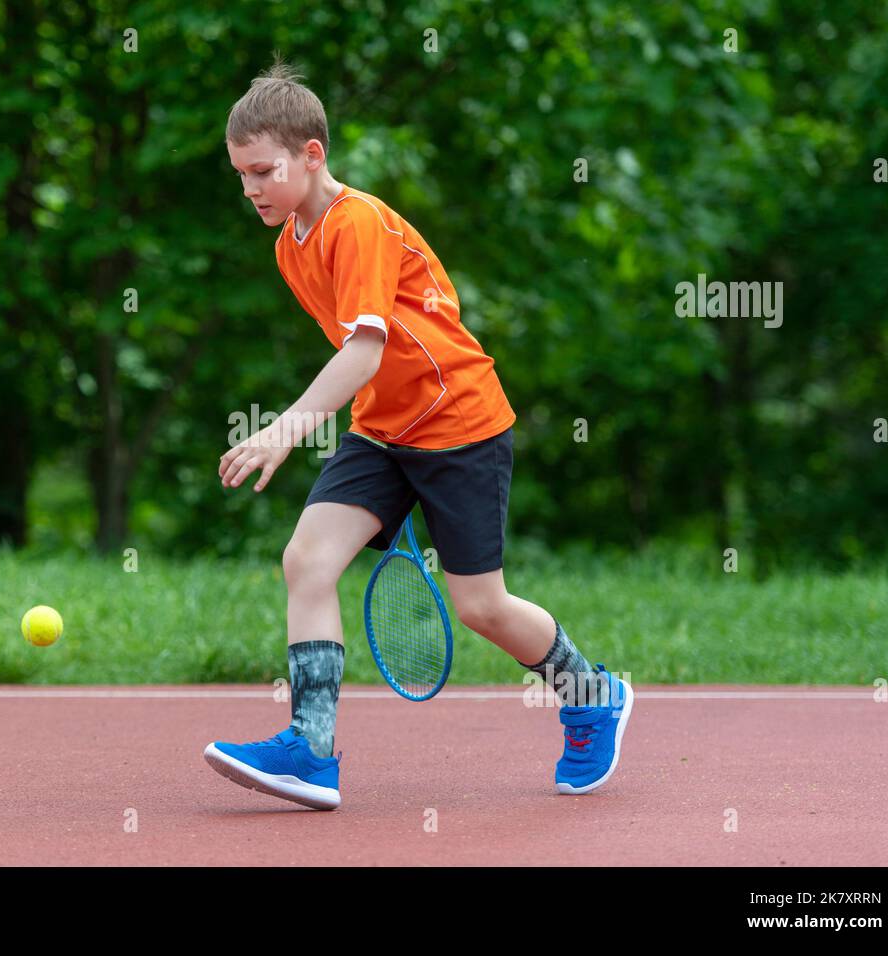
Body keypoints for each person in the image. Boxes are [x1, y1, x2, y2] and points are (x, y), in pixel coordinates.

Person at [203, 59, 632, 810]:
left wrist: (282, 431)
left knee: (481, 607)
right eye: (240, 176)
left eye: (263, 171)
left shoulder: (358, 222)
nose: (250, 190)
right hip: (381, 431)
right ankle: (309, 749)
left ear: (313, 155)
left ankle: (592, 694)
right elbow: (363, 361)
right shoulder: (288, 247)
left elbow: (364, 350)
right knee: (306, 561)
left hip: (459, 423)